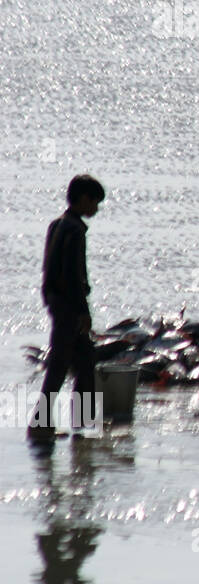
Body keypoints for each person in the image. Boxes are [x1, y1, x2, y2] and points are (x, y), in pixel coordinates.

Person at [31, 175, 106, 440]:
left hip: (55, 301)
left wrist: (51, 301)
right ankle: (39, 426)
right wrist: (83, 312)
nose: (96, 209)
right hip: (69, 308)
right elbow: (75, 276)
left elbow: (48, 270)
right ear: (84, 199)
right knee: (60, 365)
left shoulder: (57, 225)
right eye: (95, 202)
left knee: (85, 360)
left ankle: (82, 423)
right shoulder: (75, 231)